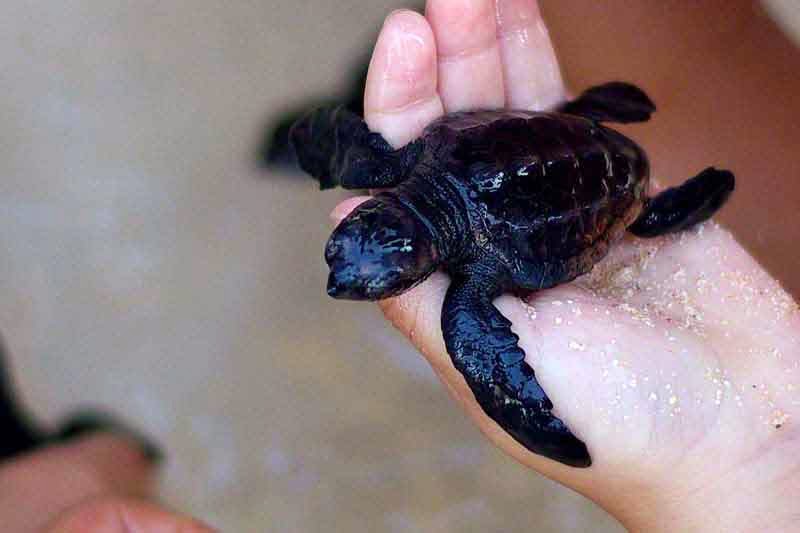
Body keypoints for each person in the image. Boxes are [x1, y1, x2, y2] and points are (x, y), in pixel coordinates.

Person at [1, 0, 798, 531]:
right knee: (353, 125)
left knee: (618, 218)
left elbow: (487, 349)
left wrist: (542, 416)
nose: (348, 285)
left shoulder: (472, 281)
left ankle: (665, 207)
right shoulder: (422, 160)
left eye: (369, 277)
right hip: (552, 130)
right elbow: (348, 147)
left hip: (590, 168)